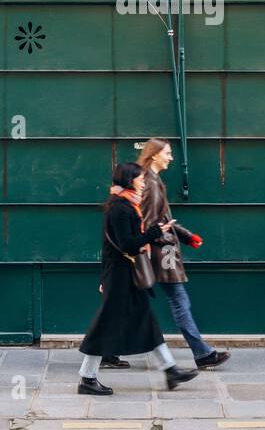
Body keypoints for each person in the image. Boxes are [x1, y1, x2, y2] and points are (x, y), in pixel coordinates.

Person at [76, 163, 199, 395]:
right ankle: (87, 378)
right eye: (139, 178)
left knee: (146, 320)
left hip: (126, 274)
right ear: (129, 179)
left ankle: (170, 370)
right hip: (121, 276)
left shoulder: (127, 205)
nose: (143, 181)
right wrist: (155, 233)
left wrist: (158, 232)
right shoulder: (120, 209)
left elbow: (117, 244)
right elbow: (127, 244)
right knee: (105, 326)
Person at [137, 138, 230, 370]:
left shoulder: (153, 180)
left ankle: (106, 350)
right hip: (163, 252)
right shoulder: (150, 183)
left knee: (130, 303)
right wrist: (168, 238)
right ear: (155, 154)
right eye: (167, 153)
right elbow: (151, 225)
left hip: (163, 249)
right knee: (179, 301)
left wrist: (187, 236)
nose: (171, 157)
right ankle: (202, 353)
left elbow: (163, 218)